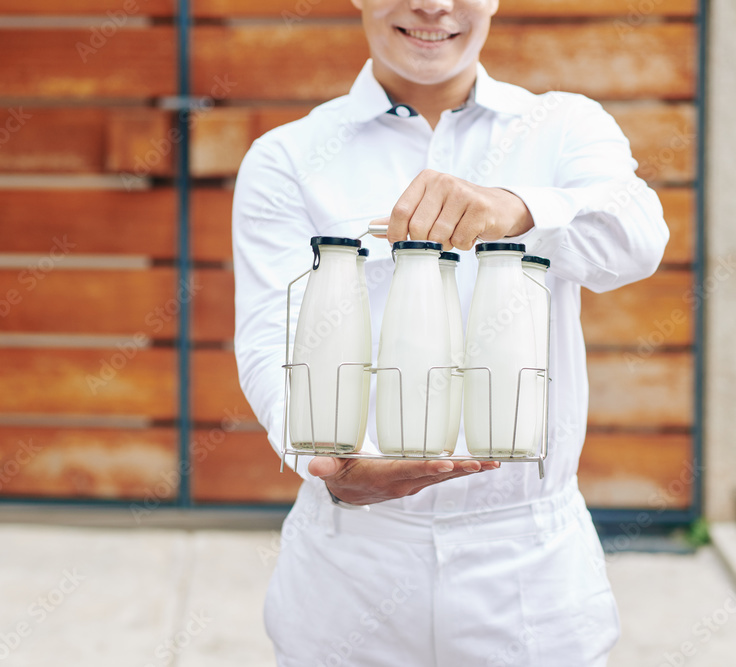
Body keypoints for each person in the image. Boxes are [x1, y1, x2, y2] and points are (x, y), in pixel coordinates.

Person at [231, 0, 669, 665]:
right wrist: (324, 460)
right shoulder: (289, 157)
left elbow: (636, 238)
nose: (433, 5)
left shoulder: (561, 127)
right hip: (352, 559)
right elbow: (271, 336)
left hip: (528, 565)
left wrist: (520, 208)